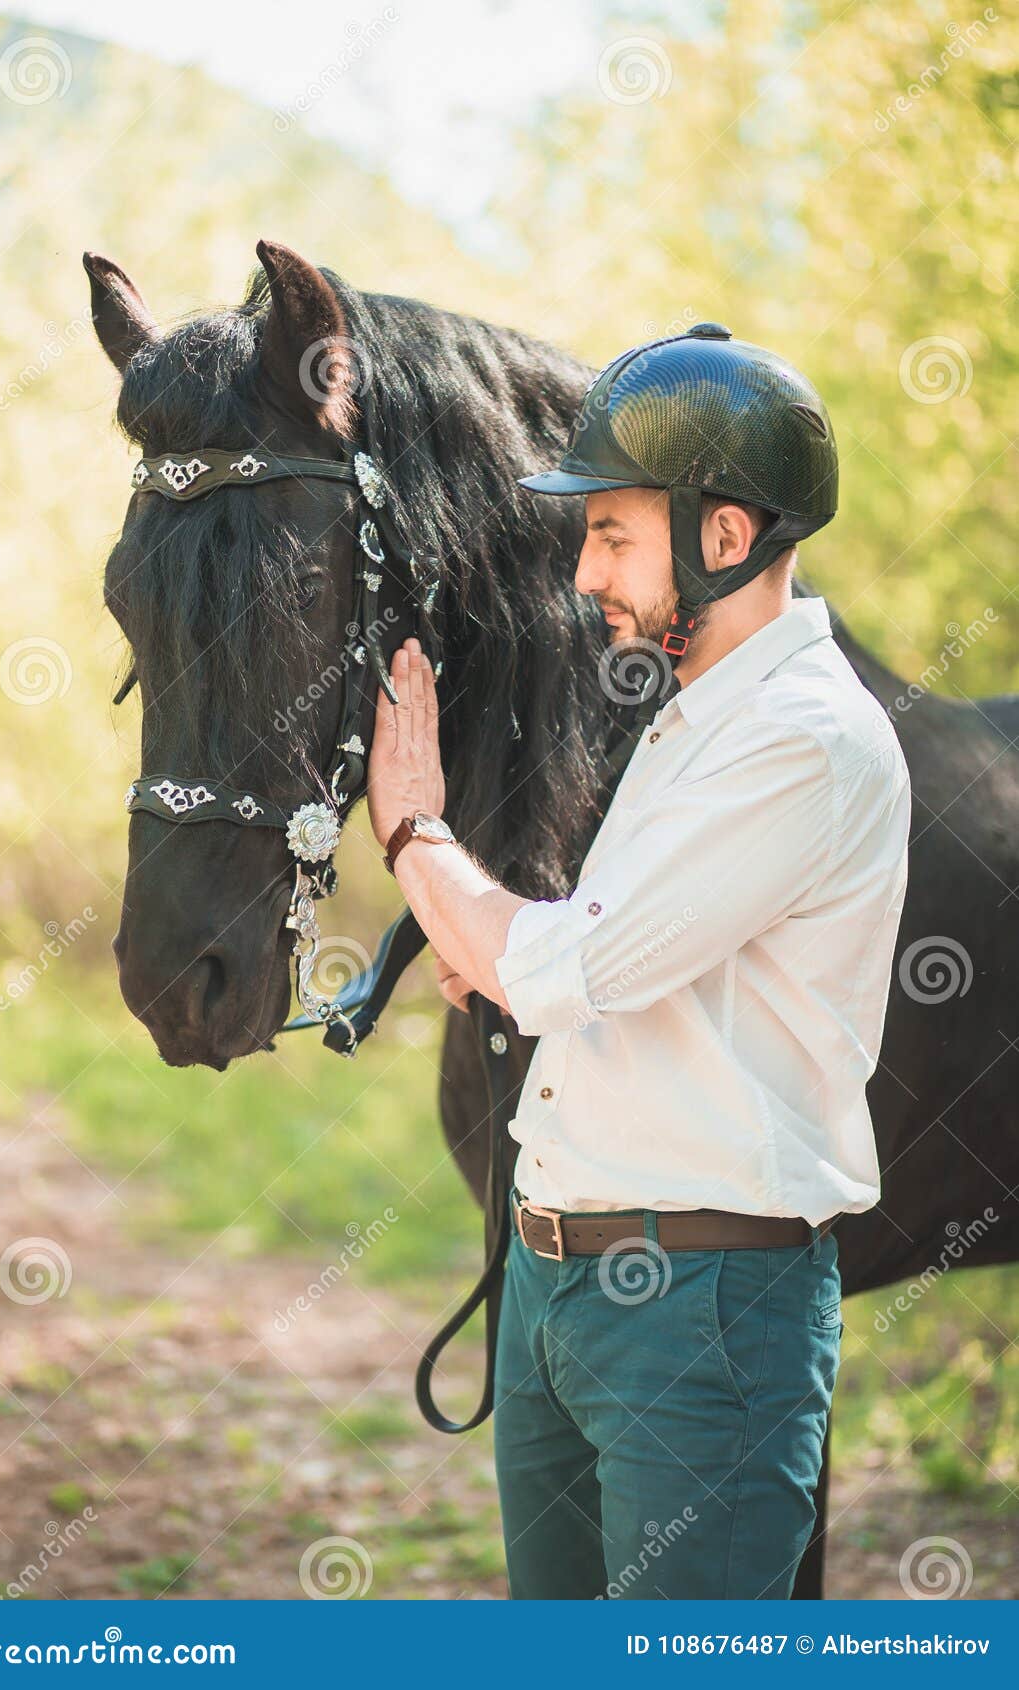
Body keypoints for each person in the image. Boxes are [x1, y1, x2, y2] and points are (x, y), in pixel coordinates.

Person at [365, 324, 911, 1599]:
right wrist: (494, 950)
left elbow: (570, 968)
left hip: (699, 1316)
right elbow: (619, 962)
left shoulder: (802, 738)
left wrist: (413, 831)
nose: (583, 575)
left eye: (611, 536)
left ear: (723, 534)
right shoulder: (691, 722)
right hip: (560, 1292)